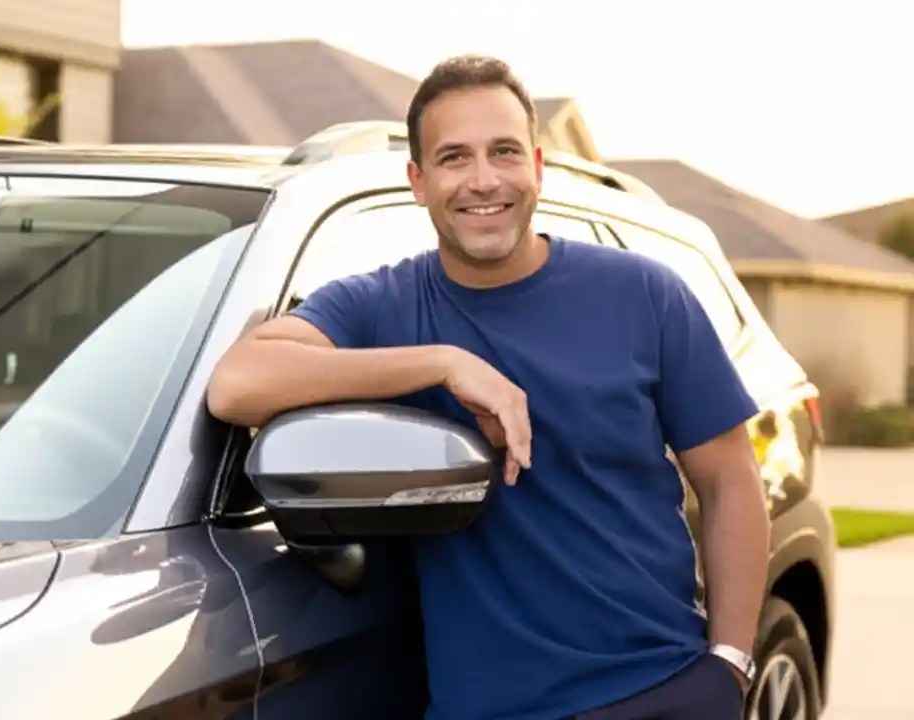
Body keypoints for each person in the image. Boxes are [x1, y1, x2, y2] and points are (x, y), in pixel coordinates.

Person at [205, 54, 771, 720]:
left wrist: (728, 666)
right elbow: (236, 385)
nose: (482, 181)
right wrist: (442, 363)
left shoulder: (644, 295)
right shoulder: (382, 308)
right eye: (453, 158)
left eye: (503, 152)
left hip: (658, 690)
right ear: (418, 181)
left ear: (536, 165)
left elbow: (731, 481)